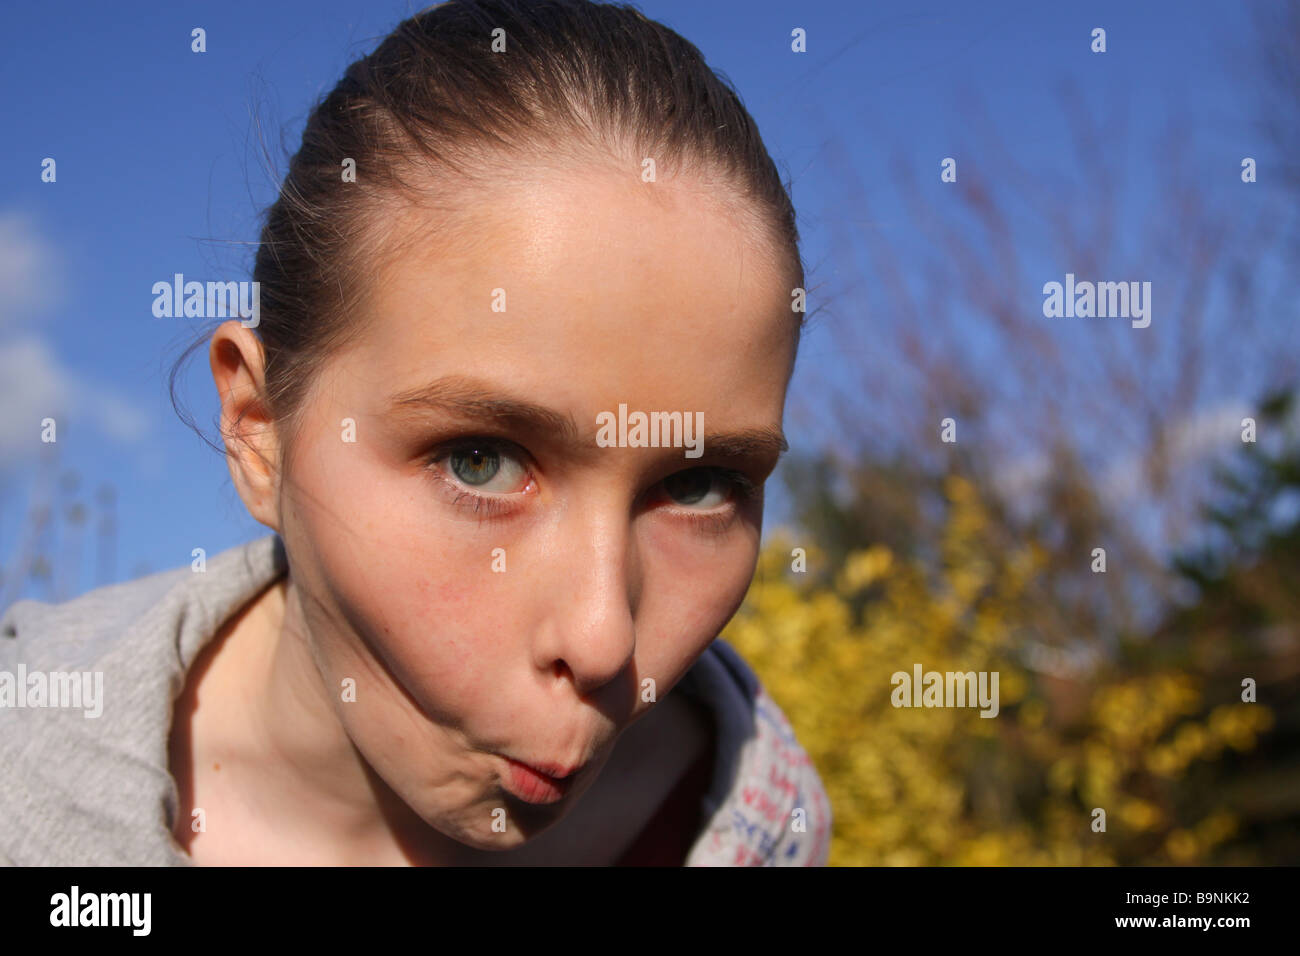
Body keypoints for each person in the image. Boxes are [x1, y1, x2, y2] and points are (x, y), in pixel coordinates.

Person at [0, 0, 830, 866]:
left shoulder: (755, 829)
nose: (602, 642)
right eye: (483, 461)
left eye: (701, 485)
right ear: (258, 430)